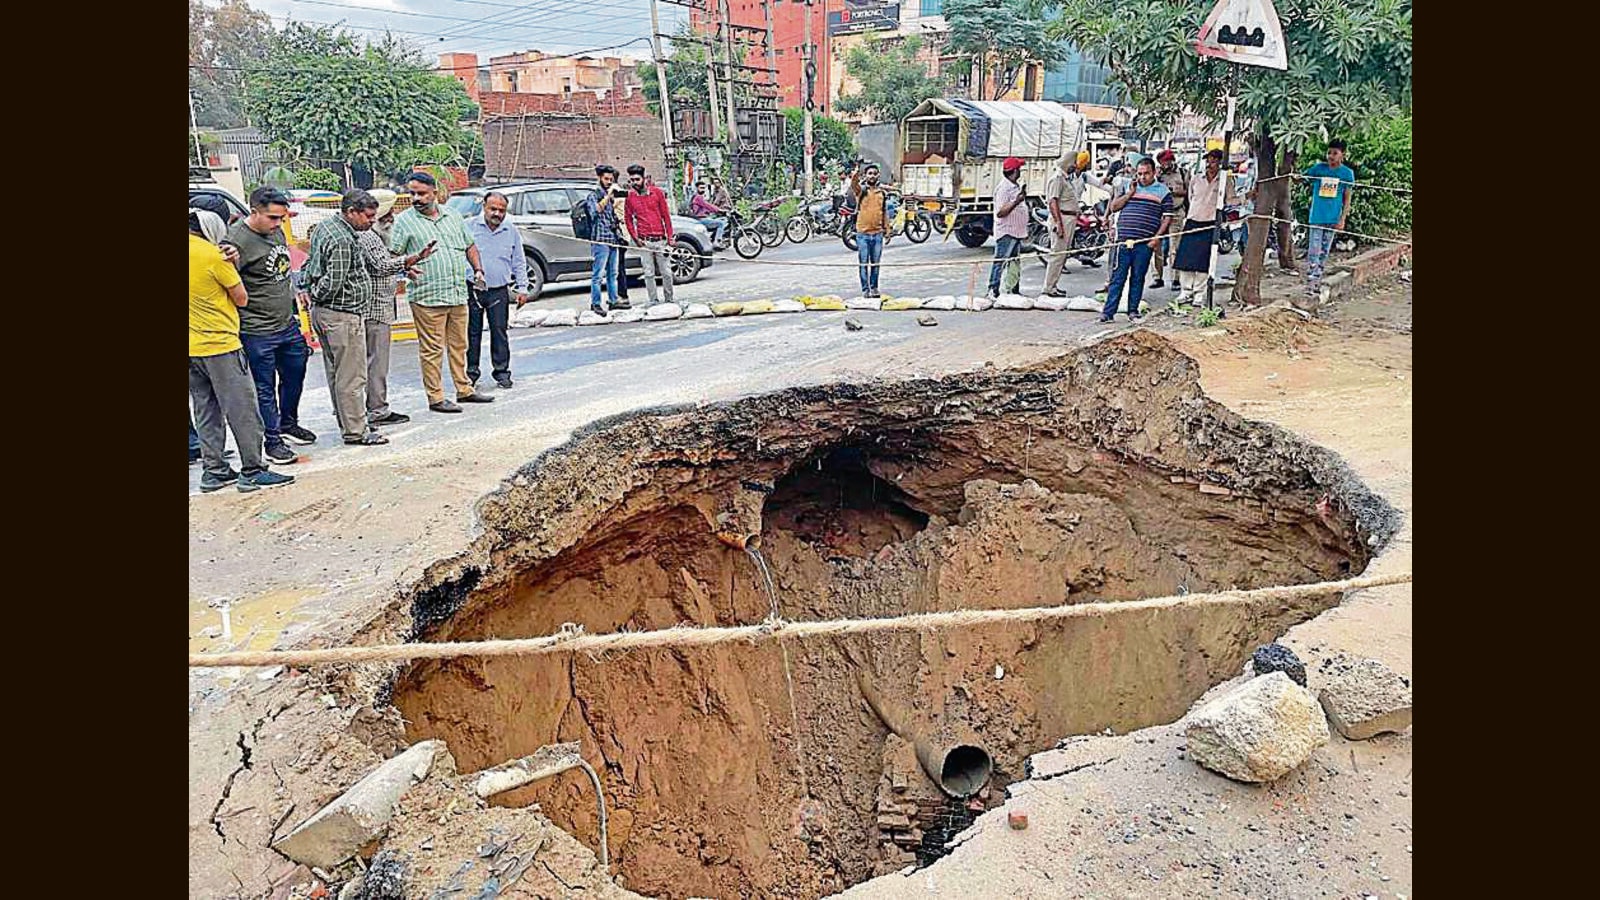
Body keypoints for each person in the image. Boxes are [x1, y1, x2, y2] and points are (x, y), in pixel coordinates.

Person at [189, 206, 294, 492]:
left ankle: (214, 470)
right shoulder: (215, 256)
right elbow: (242, 298)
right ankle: (253, 469)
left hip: (191, 349)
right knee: (243, 410)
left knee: (206, 409)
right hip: (221, 345)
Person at [389, 171, 494, 413]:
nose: (416, 198)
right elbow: (394, 256)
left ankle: (464, 389)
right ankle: (436, 398)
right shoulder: (405, 221)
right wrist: (407, 268)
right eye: (412, 193)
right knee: (432, 349)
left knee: (460, 345)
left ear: (435, 193)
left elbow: (469, 245)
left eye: (422, 193)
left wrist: (478, 270)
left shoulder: (453, 215)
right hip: (427, 297)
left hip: (457, 293)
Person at [227, 187, 314, 465]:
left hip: (286, 324)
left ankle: (288, 422)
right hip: (256, 329)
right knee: (264, 387)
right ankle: (272, 440)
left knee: (295, 374)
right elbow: (229, 286)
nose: (278, 224)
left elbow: (282, 271)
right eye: (273, 218)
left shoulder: (274, 231)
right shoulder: (236, 242)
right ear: (254, 211)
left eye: (281, 218)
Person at [306, 190, 389, 445]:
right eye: (368, 216)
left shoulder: (327, 227)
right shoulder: (343, 239)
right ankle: (356, 430)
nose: (371, 222)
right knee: (352, 376)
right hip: (342, 314)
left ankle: (348, 422)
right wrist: (318, 294)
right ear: (351, 212)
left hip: (326, 314)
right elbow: (334, 280)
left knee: (337, 373)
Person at [357, 189, 432, 427]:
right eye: (386, 215)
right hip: (374, 307)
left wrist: (402, 269)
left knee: (370, 361)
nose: (391, 219)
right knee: (375, 361)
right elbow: (380, 265)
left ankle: (362, 409)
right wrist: (411, 260)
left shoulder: (369, 233)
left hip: (377, 305)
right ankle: (376, 410)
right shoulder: (369, 236)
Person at [465, 192, 529, 389]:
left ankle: (502, 373)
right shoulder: (469, 227)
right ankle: (470, 374)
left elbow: (519, 260)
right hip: (472, 288)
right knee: (471, 333)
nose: (497, 214)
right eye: (493, 209)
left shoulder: (510, 230)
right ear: (484, 206)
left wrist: (522, 287)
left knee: (499, 331)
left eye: (502, 210)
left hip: (499, 290)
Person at [1100, 157, 1174, 324]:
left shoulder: (1163, 191)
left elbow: (1167, 218)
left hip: (1144, 243)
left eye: (1146, 173)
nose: (1142, 177)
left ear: (1154, 172)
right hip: (1124, 240)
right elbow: (1114, 207)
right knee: (1117, 277)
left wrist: (1156, 239)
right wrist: (1129, 194)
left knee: (1138, 277)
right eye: (1139, 174)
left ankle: (1132, 311)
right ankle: (1108, 312)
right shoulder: (1129, 187)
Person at [1172, 149, 1234, 302]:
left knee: (1203, 260)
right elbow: (1190, 197)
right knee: (1185, 258)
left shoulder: (1225, 180)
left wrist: (1248, 196)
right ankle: (1186, 291)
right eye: (1208, 160)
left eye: (1214, 161)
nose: (1210, 163)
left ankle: (1199, 293)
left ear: (1220, 162)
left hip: (1210, 222)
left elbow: (1231, 200)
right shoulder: (1196, 178)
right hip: (1193, 220)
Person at [1043, 150, 1105, 297]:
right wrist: (1058, 223)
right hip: (1063, 219)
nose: (1075, 166)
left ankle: (1053, 286)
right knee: (1058, 255)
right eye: (1074, 164)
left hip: (1069, 219)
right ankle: (1049, 288)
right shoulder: (1057, 178)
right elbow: (1053, 201)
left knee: (1062, 255)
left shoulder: (1066, 178)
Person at [1303, 139, 1355, 292]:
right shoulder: (1319, 169)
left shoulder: (1346, 173)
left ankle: (1318, 278)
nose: (1331, 156)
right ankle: (1311, 280)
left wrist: (1342, 218)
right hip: (1317, 216)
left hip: (1332, 218)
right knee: (1314, 249)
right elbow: (1303, 178)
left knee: (1325, 249)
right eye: (1329, 153)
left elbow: (1347, 198)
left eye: (1335, 153)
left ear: (1342, 155)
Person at [621, 164, 676, 307]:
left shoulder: (657, 193)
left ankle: (669, 299)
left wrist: (670, 238)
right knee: (648, 273)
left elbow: (666, 217)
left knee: (666, 273)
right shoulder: (630, 197)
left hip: (661, 240)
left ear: (644, 178)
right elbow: (628, 219)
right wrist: (635, 238)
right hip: (644, 242)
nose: (634, 183)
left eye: (637, 179)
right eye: (632, 180)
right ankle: (653, 301)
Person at [987, 157, 1030, 299]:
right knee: (1000, 261)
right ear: (1015, 171)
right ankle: (993, 289)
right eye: (1019, 169)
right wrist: (1016, 201)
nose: (1020, 172)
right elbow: (1001, 212)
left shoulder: (1013, 186)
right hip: (1007, 231)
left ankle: (1013, 289)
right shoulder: (1004, 188)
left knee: (1014, 262)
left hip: (1015, 231)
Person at [586, 165, 624, 315]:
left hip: (612, 237)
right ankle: (595, 303)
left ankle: (613, 300)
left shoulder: (612, 196)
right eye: (606, 179)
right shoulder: (594, 195)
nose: (609, 182)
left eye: (611, 179)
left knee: (612, 273)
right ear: (600, 178)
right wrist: (607, 196)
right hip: (600, 239)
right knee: (598, 274)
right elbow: (595, 211)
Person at [1151, 148, 1190, 291]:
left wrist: (1174, 191)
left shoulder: (1182, 173)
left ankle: (1175, 279)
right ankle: (1157, 277)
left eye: (1168, 161)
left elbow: (1189, 192)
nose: (1165, 164)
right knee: (1156, 246)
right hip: (1159, 214)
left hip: (1176, 212)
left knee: (1175, 247)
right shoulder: (1156, 174)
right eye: (1163, 162)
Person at [849, 162, 889, 298]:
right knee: (863, 263)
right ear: (865, 176)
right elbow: (853, 185)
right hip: (863, 234)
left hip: (877, 234)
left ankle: (874, 288)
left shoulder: (882, 193)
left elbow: (884, 213)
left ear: (878, 175)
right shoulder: (861, 191)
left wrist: (887, 230)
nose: (872, 176)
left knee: (876, 264)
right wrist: (856, 173)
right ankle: (865, 289)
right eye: (869, 173)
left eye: (874, 173)